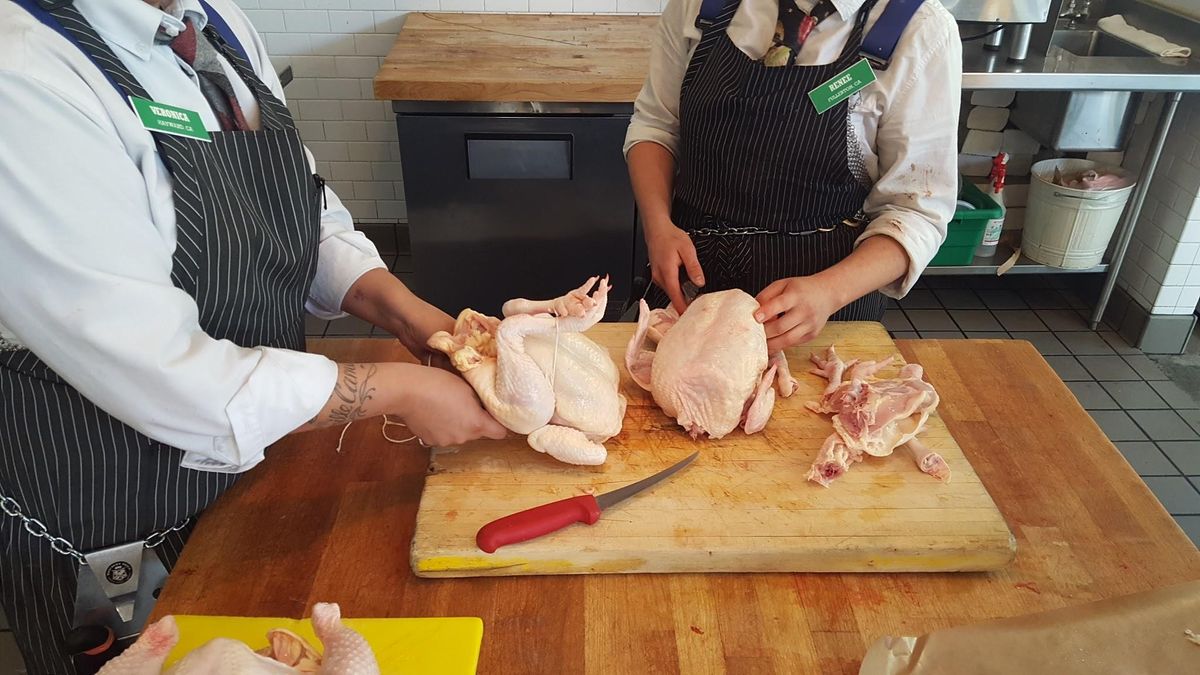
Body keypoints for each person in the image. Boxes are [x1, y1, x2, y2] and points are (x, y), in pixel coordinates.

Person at [0, 0, 506, 671]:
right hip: (113, 520)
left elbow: (300, 211)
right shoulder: (27, 80)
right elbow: (165, 370)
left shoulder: (215, 25)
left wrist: (411, 315)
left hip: (257, 479)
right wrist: (404, 390)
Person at [626, 0, 961, 351]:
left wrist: (829, 291)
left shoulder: (919, 30)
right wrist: (657, 227)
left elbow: (916, 211)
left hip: (820, 322)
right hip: (689, 299)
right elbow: (656, 126)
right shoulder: (699, 5)